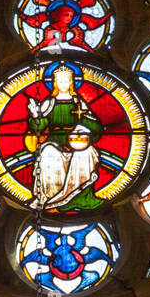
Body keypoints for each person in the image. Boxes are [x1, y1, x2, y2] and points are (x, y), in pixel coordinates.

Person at [26, 63, 103, 210]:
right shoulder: (49, 102)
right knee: (48, 153)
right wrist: (36, 114)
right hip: (54, 141)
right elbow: (39, 127)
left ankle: (80, 197)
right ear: (55, 83)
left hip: (77, 141)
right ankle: (50, 197)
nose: (63, 84)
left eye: (66, 81)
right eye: (60, 81)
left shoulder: (78, 102)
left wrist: (84, 127)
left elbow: (96, 127)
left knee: (87, 153)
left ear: (71, 83)